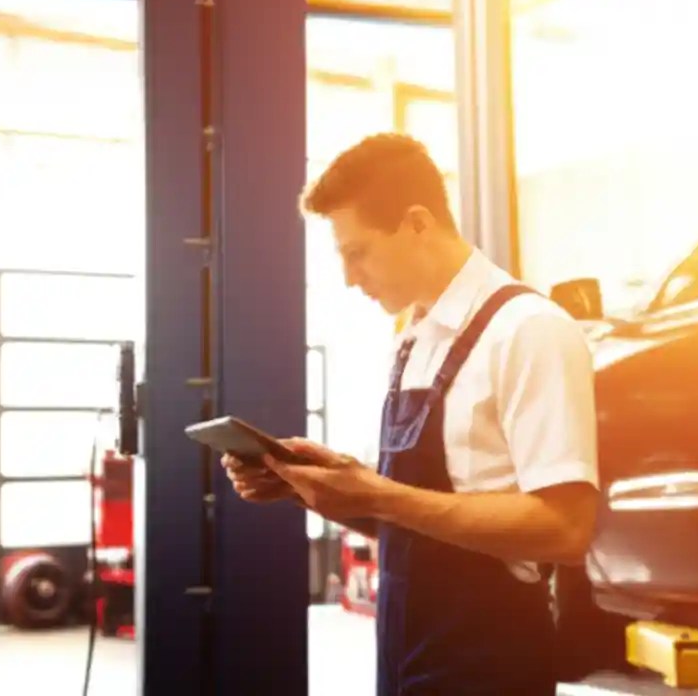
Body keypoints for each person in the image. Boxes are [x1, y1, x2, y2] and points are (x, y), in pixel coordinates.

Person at [221, 133, 599, 695]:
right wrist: (312, 488)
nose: (350, 277)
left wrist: (376, 493)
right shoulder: (415, 341)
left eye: (357, 252)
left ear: (417, 223)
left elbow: (566, 528)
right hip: (407, 659)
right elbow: (413, 524)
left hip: (490, 665)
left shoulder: (529, 331)